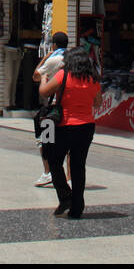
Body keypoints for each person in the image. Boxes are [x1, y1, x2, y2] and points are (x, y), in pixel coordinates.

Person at [38, 44, 101, 220]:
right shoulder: (93, 79)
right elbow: (97, 102)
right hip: (86, 126)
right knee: (78, 166)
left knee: (54, 160)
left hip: (64, 126)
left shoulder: (63, 75)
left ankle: (65, 196)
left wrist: (43, 78)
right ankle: (77, 207)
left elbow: (44, 92)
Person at [32, 31, 68, 187]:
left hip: (53, 109)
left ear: (54, 44)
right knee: (67, 145)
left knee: (45, 139)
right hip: (68, 106)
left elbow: (36, 76)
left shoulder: (54, 60)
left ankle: (47, 173)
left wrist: (45, 58)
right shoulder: (72, 58)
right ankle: (69, 177)